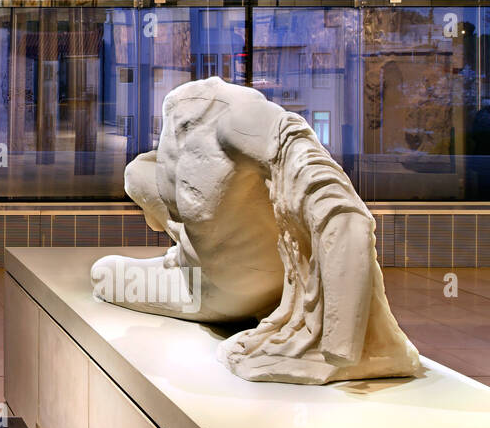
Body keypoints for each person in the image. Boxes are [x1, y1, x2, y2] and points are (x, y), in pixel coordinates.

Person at [93, 76, 423, 385]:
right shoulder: (166, 140)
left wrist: (338, 347)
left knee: (107, 272)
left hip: (245, 291)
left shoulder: (242, 118)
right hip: (195, 281)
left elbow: (345, 215)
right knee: (105, 273)